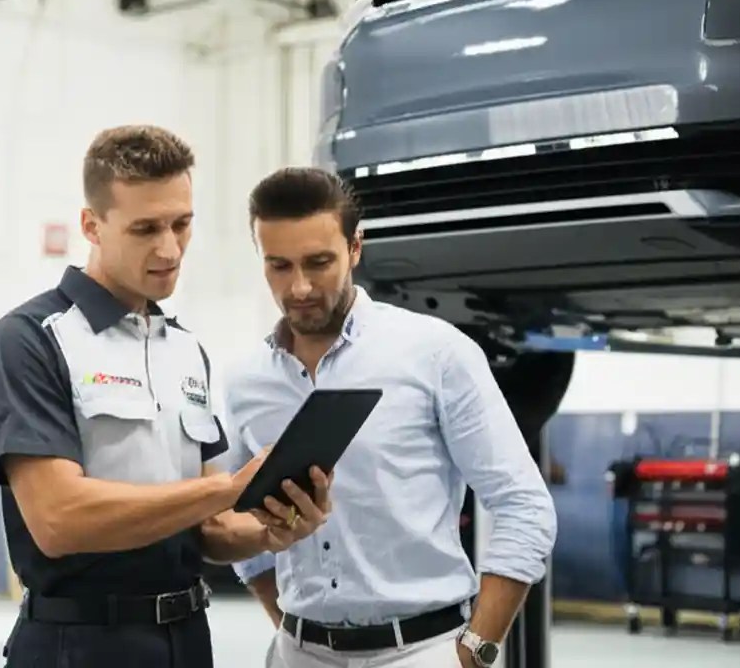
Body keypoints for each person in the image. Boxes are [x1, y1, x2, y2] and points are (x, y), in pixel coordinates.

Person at [0, 126, 334, 668]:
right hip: (80, 645)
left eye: (181, 224)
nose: (169, 249)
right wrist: (227, 490)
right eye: (145, 228)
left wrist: (271, 530)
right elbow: (58, 519)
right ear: (91, 225)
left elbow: (212, 530)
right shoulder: (30, 340)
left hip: (187, 639)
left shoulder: (185, 350)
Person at [222, 167, 558, 668]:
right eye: (279, 266)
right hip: (298, 653)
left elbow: (524, 505)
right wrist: (291, 629)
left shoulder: (435, 354)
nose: (300, 287)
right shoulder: (245, 381)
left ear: (356, 246)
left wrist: (475, 652)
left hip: (423, 651)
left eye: (319, 262)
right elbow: (238, 527)